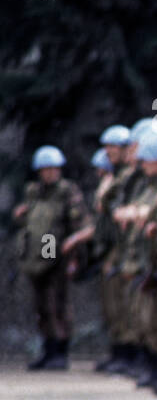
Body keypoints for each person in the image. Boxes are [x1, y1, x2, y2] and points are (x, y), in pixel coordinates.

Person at [14, 145, 92, 370]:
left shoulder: (67, 191)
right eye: (45, 169)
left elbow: (79, 223)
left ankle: (60, 350)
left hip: (58, 253)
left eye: (53, 169)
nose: (49, 173)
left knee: (58, 302)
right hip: (36, 255)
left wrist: (74, 251)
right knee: (41, 305)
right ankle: (48, 349)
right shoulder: (33, 192)